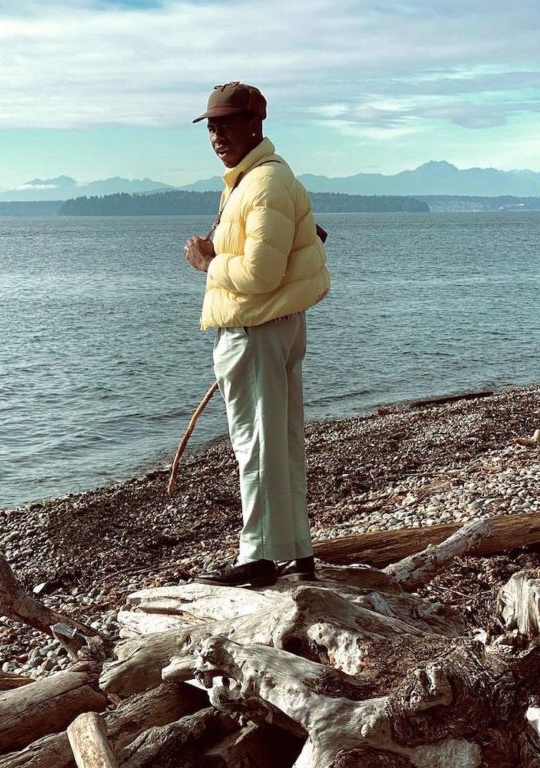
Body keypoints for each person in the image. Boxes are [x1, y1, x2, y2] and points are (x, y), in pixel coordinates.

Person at [184, 82, 330, 588]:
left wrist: (208, 263)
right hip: (278, 327)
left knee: (257, 446)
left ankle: (260, 558)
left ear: (255, 125)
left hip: (258, 330)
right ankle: (296, 552)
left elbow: (260, 275)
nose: (217, 134)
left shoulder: (261, 183)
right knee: (282, 442)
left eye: (227, 123)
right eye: (212, 125)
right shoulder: (260, 179)